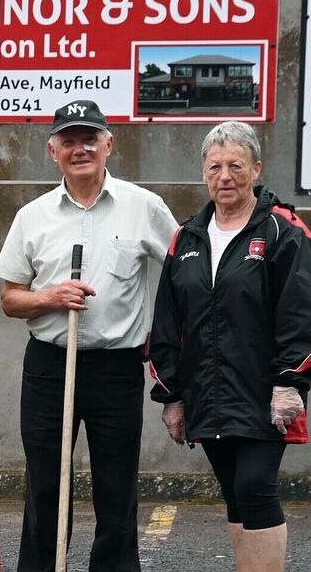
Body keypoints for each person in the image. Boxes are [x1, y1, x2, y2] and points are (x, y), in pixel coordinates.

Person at [0, 99, 178, 572]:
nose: (81, 149)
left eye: (90, 139)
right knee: (46, 487)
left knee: (116, 489)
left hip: (116, 368)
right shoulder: (32, 216)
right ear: (52, 150)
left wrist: (168, 339)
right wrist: (49, 297)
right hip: (49, 367)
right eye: (69, 141)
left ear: (109, 145)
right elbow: (10, 299)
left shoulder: (144, 207)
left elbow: (184, 275)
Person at [150, 121, 311, 572]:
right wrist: (172, 395)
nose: (225, 176)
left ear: (256, 169)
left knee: (257, 486)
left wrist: (289, 382)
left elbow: (301, 314)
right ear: (203, 173)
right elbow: (169, 322)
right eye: (215, 166)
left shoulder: (284, 231)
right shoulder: (187, 238)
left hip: (264, 392)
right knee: (236, 492)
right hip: (207, 391)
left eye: (236, 165)